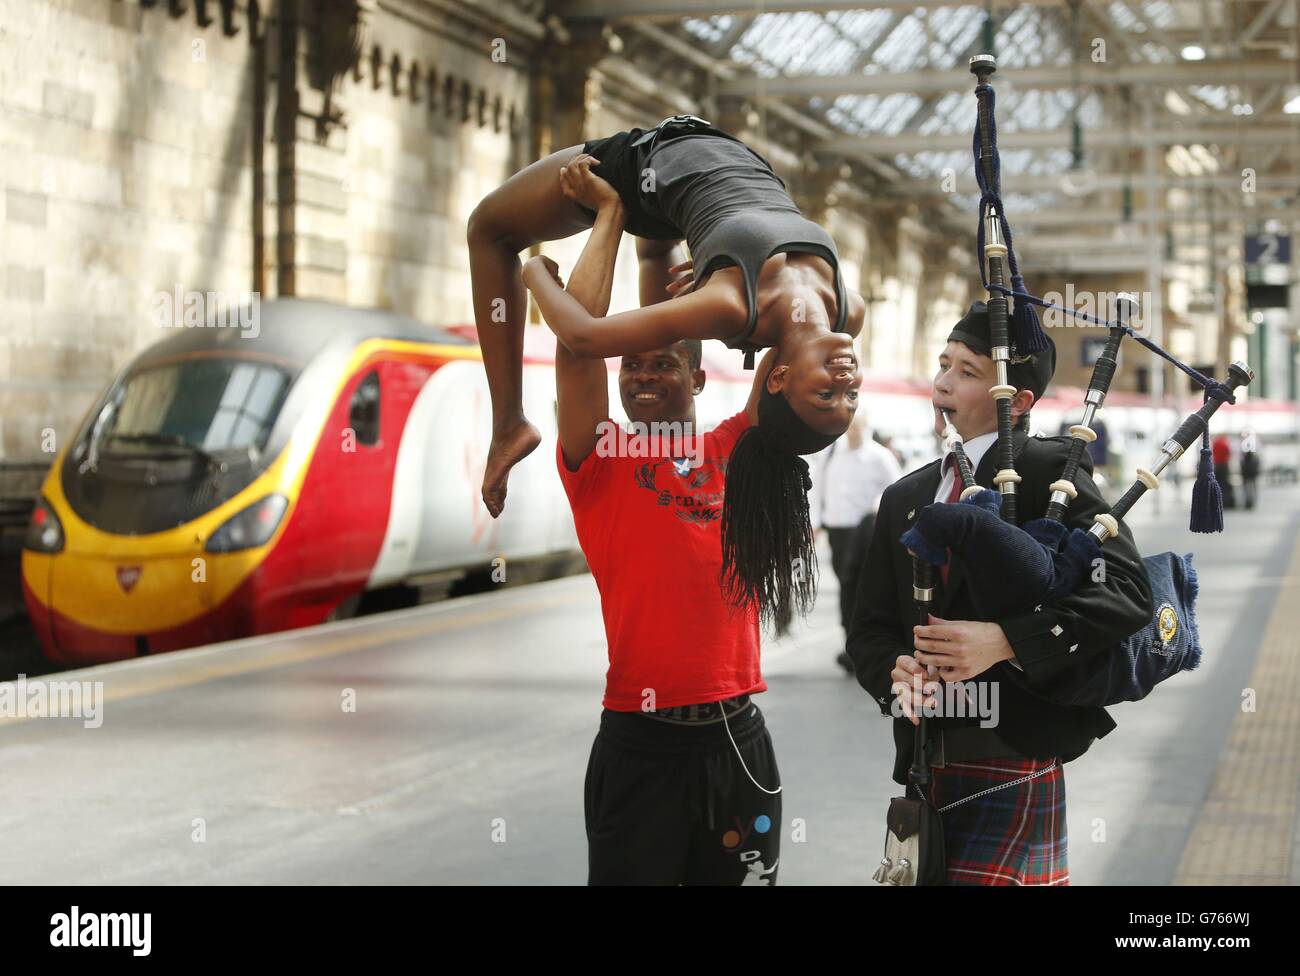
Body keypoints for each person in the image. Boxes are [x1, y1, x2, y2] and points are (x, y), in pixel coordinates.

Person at [468, 117, 867, 633]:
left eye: (824, 393)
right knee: (655, 249)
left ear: (778, 375)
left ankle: (509, 422)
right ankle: (509, 421)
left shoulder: (732, 307)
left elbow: (584, 340)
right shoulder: (848, 313)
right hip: (728, 165)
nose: (844, 376)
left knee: (489, 229)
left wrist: (539, 273)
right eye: (849, 394)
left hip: (656, 163)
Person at [847, 301, 1153, 885]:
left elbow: (1127, 594)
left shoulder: (1051, 476)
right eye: (943, 364)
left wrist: (1005, 641)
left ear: (1019, 401)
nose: (942, 382)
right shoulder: (906, 495)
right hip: (927, 763)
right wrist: (895, 670)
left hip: (1017, 756)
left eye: (967, 371)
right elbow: (869, 629)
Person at [549, 160, 781, 885]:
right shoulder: (601, 460)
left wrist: (727, 281)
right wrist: (611, 214)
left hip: (736, 742)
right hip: (637, 747)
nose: (643, 377)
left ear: (699, 377)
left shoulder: (734, 448)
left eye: (663, 365)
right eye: (632, 368)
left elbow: (809, 335)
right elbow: (575, 343)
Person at [812, 413, 902, 674]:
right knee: (846, 586)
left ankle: (868, 643)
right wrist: (814, 523)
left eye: (856, 428)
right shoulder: (830, 454)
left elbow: (896, 489)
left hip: (865, 533)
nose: (851, 433)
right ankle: (851, 641)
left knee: (863, 587)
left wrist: (878, 506)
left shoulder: (879, 456)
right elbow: (817, 490)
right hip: (838, 531)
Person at [1240, 429, 1261, 510]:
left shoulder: (1244, 444)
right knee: (1251, 485)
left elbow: (1241, 458)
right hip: (1251, 468)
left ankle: (1249, 501)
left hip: (1247, 468)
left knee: (1248, 486)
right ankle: (1251, 501)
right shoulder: (1255, 443)